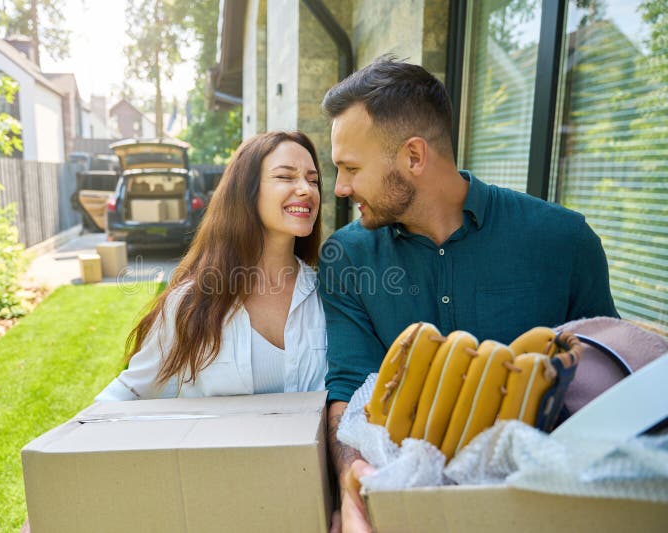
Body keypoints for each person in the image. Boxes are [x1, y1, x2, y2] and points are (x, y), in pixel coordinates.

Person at [317, 56, 619, 532]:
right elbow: (349, 390)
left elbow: (607, 389)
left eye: (351, 168)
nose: (339, 188)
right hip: (405, 511)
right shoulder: (347, 258)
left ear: (414, 157)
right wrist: (352, 483)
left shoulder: (564, 241)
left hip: (541, 510)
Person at [96, 131, 328, 401]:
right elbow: (126, 394)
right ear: (247, 192)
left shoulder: (326, 295)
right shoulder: (192, 303)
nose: (305, 189)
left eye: (313, 180)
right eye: (285, 177)